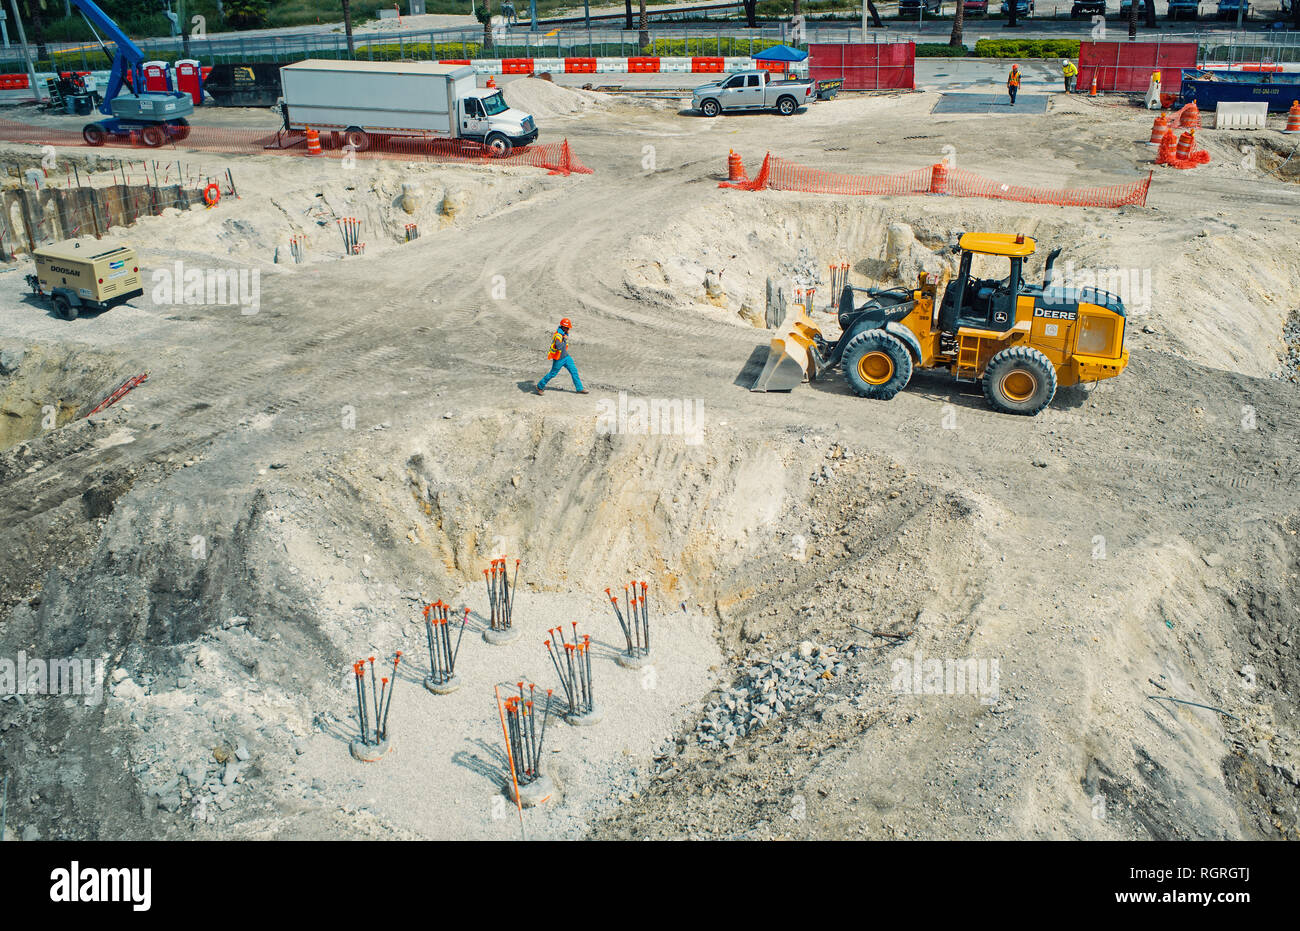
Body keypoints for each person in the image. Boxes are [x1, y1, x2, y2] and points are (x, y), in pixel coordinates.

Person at [536, 318, 587, 395]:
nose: (569, 329)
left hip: (566, 357)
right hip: (558, 359)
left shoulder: (563, 333)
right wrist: (564, 338)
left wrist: (565, 336)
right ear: (563, 327)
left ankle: (579, 389)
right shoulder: (558, 336)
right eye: (568, 328)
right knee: (552, 374)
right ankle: (540, 386)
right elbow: (558, 346)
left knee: (574, 371)